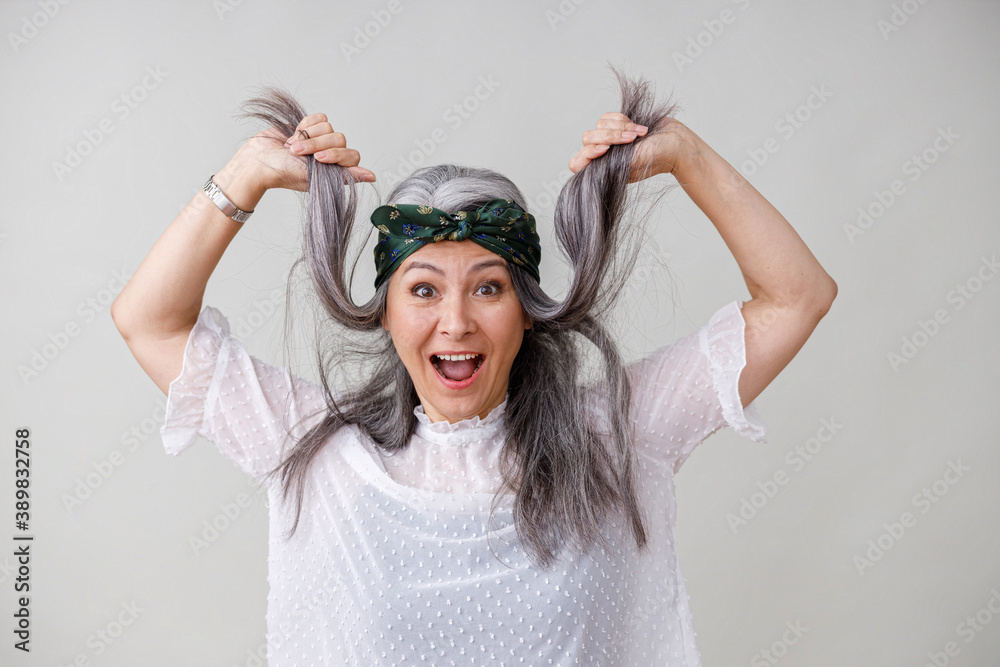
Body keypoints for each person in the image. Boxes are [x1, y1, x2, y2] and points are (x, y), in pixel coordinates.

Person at [111, 70, 836, 666]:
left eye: (488, 287)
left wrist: (687, 157)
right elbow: (148, 319)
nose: (455, 322)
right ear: (385, 312)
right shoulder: (314, 448)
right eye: (423, 290)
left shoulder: (616, 434)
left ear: (525, 308)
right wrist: (245, 175)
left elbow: (795, 299)